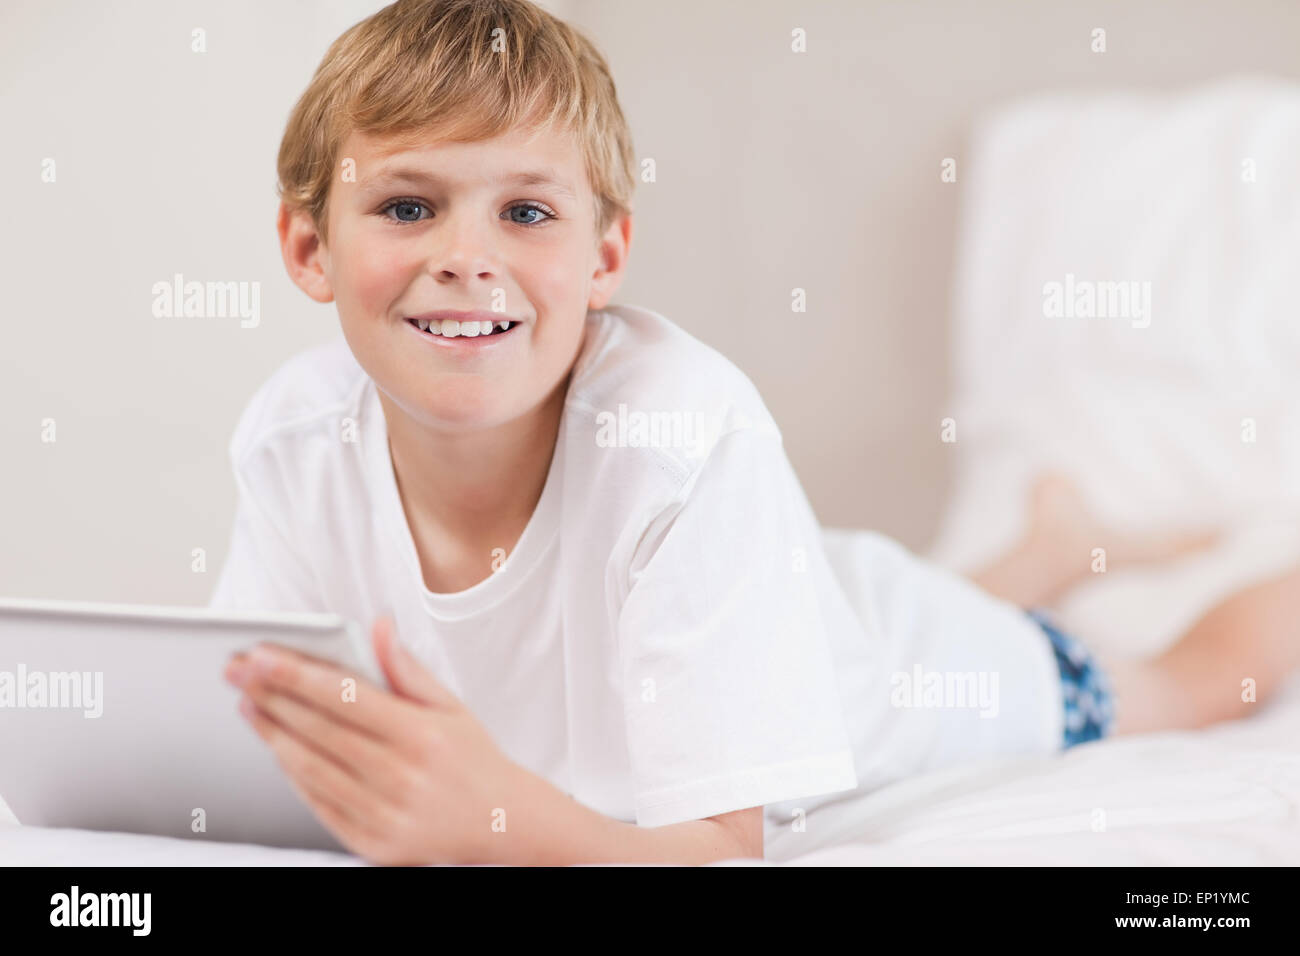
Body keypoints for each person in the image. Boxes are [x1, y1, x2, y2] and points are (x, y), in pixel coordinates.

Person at [212, 0, 1300, 866]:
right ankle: (1044, 548)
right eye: (407, 206)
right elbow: (238, 734)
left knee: (1187, 682)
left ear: (605, 257)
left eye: (527, 211)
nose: (465, 254)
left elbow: (722, 849)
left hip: (887, 648)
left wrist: (496, 820)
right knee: (859, 606)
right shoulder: (292, 439)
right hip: (788, 600)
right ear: (308, 248)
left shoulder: (679, 432)